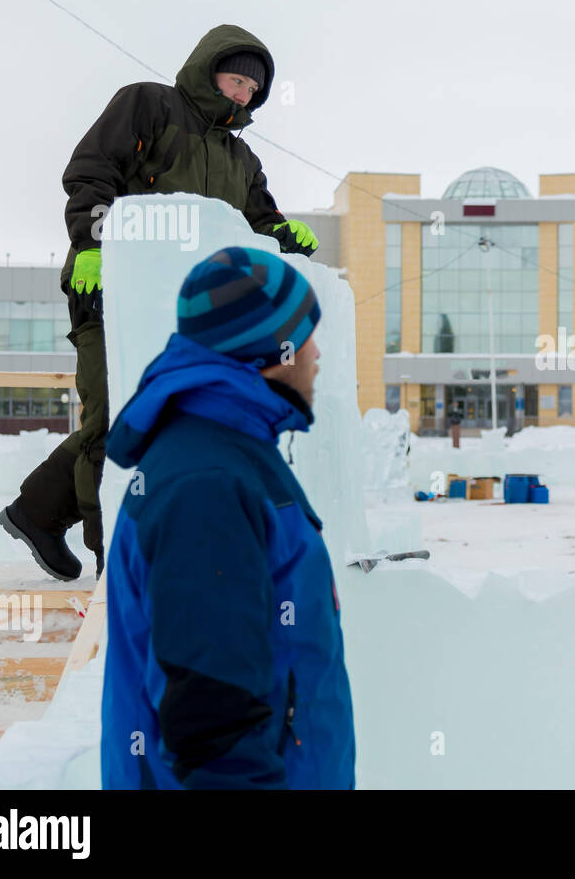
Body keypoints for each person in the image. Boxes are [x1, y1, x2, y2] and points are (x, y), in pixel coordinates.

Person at [0, 24, 321, 583]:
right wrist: (94, 248)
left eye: (252, 89)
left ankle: (36, 513)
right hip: (109, 290)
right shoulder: (148, 104)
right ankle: (115, 576)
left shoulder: (241, 158)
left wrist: (285, 236)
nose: (242, 93)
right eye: (236, 78)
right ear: (208, 68)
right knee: (119, 420)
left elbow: (259, 225)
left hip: (186, 316)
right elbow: (91, 172)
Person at [100, 246, 354, 789]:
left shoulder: (225, 457)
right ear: (269, 350)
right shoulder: (208, 486)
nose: (316, 354)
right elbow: (212, 726)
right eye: (306, 336)